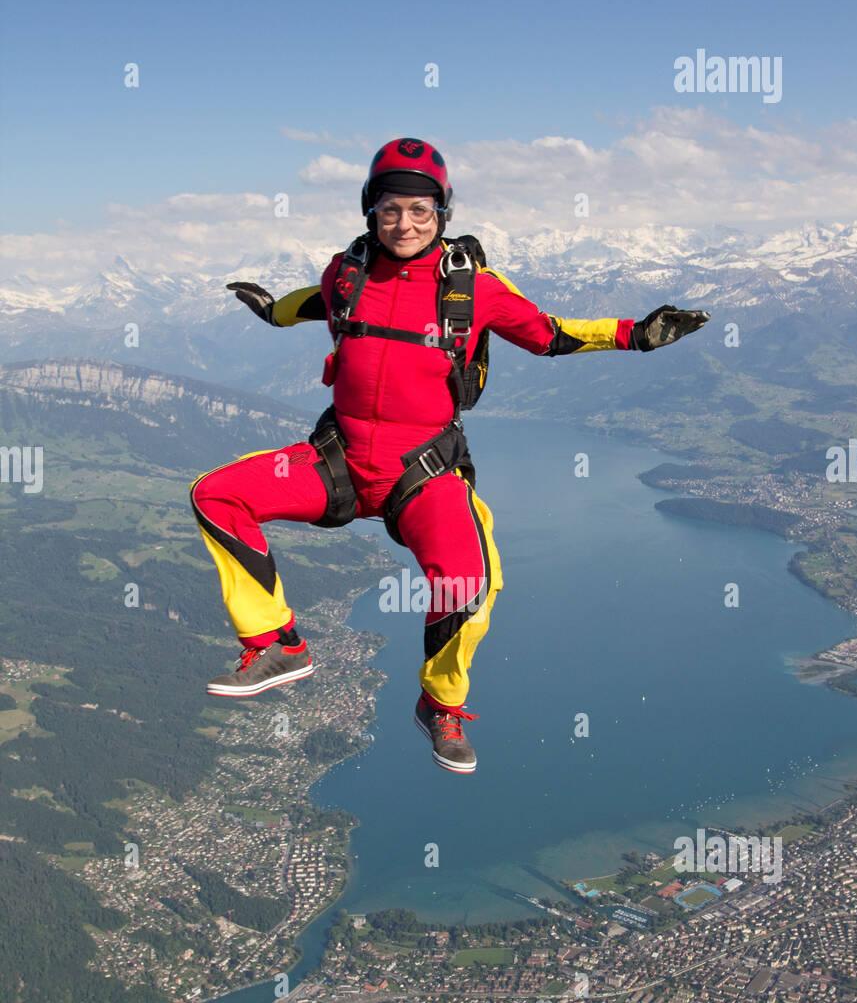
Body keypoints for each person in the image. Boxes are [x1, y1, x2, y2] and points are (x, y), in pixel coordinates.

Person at [191, 137, 709, 775]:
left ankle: (441, 704)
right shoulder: (347, 273)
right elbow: (318, 300)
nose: (404, 223)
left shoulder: (472, 289)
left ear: (442, 216)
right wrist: (275, 312)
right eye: (390, 209)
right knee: (216, 493)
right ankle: (278, 643)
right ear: (369, 212)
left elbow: (548, 335)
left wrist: (633, 336)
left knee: (469, 584)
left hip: (421, 473)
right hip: (340, 461)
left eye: (420, 211)